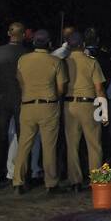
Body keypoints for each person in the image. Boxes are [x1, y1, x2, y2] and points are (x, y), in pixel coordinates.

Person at [13, 30, 67, 195]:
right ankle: (50, 183)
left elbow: (20, 81)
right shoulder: (55, 61)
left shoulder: (23, 59)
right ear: (49, 43)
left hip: (27, 105)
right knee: (49, 146)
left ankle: (18, 181)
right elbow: (61, 88)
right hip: (48, 105)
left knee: (24, 145)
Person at [62, 31, 107, 191]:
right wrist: (103, 110)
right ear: (83, 45)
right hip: (89, 105)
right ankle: (96, 179)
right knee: (94, 144)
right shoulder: (91, 62)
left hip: (69, 105)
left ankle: (75, 181)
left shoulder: (64, 63)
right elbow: (99, 89)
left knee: (72, 145)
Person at [0, 23, 29, 188]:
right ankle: (20, 174)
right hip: (21, 98)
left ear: (8, 33)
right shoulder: (26, 54)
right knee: (23, 137)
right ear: (24, 35)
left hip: (1, 97)